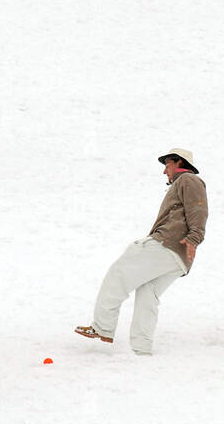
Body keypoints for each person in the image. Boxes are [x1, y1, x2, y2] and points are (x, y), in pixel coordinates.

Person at [75, 148, 207, 355]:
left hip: (168, 244)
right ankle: (142, 350)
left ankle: (102, 326)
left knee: (118, 274)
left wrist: (194, 238)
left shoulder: (189, 180)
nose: (165, 171)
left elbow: (199, 208)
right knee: (148, 294)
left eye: (167, 165)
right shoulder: (183, 183)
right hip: (178, 257)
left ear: (179, 162)